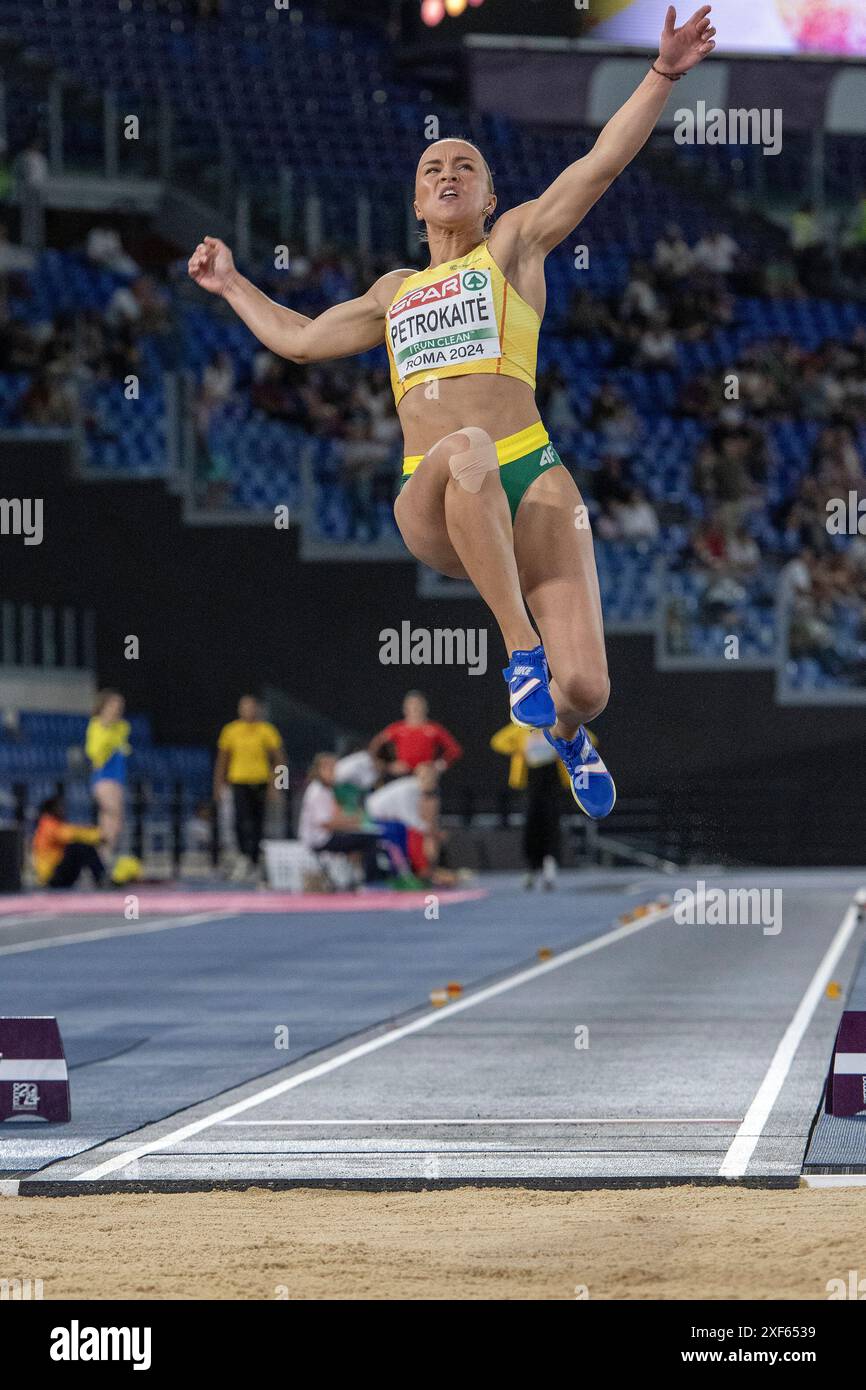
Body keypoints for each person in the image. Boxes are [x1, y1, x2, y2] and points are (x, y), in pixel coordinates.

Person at [188, 5, 716, 821]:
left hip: (532, 473)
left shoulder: (514, 246)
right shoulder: (393, 292)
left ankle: (568, 733)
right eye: (432, 167)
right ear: (415, 202)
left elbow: (599, 165)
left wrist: (663, 75)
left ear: (489, 194)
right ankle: (519, 652)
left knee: (589, 687)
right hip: (434, 489)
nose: (446, 174)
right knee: (467, 446)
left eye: (463, 165)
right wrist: (231, 283)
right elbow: (296, 339)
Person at [490, 723, 570, 890]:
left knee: (551, 825)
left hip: (551, 782)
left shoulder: (557, 728)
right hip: (531, 784)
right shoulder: (522, 729)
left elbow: (588, 738)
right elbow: (497, 741)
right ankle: (531, 868)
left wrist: (564, 745)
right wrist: (519, 749)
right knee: (531, 827)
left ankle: (549, 869)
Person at [214, 695, 285, 881]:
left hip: (261, 782)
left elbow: (280, 759)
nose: (248, 710)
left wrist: (278, 785)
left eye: (251, 707)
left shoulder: (266, 730)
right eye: (244, 707)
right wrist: (218, 785)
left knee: (258, 824)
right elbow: (222, 760)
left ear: (257, 709)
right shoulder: (231, 730)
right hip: (239, 782)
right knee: (240, 822)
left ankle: (254, 861)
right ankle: (243, 857)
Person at [298, 752, 388, 885]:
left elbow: (338, 814)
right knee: (369, 839)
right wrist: (354, 826)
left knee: (364, 836)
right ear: (319, 770)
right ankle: (371, 882)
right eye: (329, 769)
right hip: (319, 839)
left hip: (326, 835)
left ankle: (358, 878)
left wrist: (355, 821)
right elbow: (326, 823)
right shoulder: (317, 791)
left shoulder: (327, 790)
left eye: (334, 769)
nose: (333, 773)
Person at [369, 690, 462, 775]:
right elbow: (377, 744)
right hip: (402, 776)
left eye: (418, 705)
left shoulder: (434, 729)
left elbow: (454, 750)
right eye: (411, 705)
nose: (415, 708)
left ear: (425, 707)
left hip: (424, 778)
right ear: (405, 708)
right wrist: (388, 766)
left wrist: (436, 767)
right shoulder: (397, 728)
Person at [85, 689, 131, 852]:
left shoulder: (122, 727)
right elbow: (94, 753)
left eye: (119, 706)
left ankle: (105, 853)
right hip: (103, 777)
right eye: (113, 705)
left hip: (118, 778)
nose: (116, 709)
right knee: (110, 816)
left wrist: (111, 727)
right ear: (103, 706)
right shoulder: (96, 725)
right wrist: (106, 729)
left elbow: (123, 746)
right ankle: (102, 854)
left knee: (116, 820)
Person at [32, 795, 105, 888]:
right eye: (60, 807)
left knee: (80, 847)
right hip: (51, 877)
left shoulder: (53, 823)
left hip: (58, 873)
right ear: (52, 809)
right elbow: (71, 834)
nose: (63, 810)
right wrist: (97, 835)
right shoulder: (47, 824)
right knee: (78, 847)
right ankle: (101, 877)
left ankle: (101, 877)